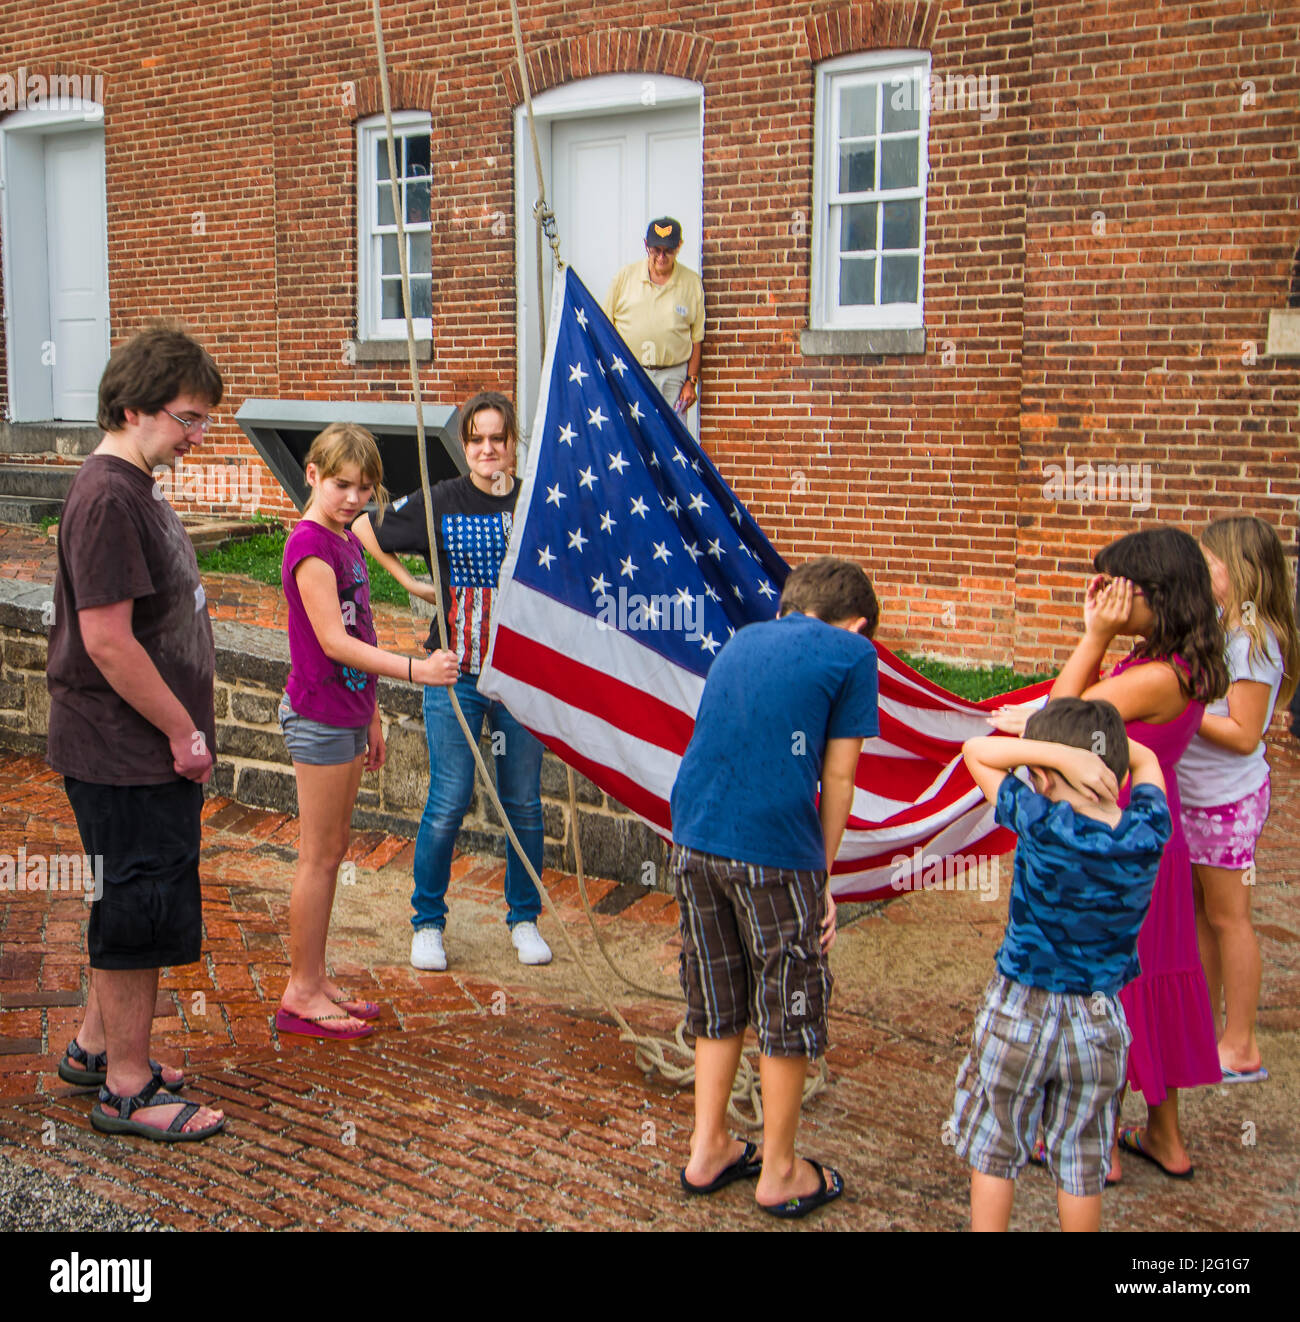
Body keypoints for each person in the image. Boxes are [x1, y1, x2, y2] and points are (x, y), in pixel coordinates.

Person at [999, 528, 1228, 1181]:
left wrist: (1093, 635)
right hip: (1157, 830)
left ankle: (1091, 1143)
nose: (1106, 597)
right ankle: (1165, 1137)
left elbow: (1064, 718)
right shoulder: (1183, 661)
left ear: (1155, 593)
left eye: (1119, 587)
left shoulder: (1154, 677)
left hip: (1115, 838)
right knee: (1151, 978)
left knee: (1113, 985)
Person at [46, 328, 227, 1141]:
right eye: (188, 419)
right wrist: (184, 731)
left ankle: (95, 1048)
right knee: (136, 906)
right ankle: (126, 1087)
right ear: (133, 408)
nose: (198, 438)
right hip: (125, 753)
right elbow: (108, 641)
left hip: (136, 749)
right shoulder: (109, 496)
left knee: (127, 899)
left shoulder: (134, 484)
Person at [668, 556, 879, 1219]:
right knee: (788, 999)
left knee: (716, 989)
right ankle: (780, 1171)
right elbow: (839, 779)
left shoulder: (742, 636)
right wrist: (820, 879)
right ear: (859, 625)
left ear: (789, 606)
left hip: (695, 836)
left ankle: (707, 1148)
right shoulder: (852, 654)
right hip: (773, 850)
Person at [352, 392, 552, 970]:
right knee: (447, 800)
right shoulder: (444, 499)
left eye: (498, 438)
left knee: (524, 804)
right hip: (452, 671)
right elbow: (366, 527)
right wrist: (412, 584)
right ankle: (428, 923)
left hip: (520, 676)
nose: (488, 449)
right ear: (465, 446)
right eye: (477, 439)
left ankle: (524, 919)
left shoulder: (537, 504)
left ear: (513, 445)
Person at [954, 700, 1171, 1231]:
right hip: (1099, 1024)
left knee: (995, 1144)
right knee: (1081, 1158)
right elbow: (1147, 767)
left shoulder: (1042, 821)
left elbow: (976, 752)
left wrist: (1054, 753)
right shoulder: (1146, 833)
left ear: (1046, 777)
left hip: (1019, 1009)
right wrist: (1106, 753)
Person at [276, 424, 459, 1039]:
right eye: (341, 485)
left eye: (365, 488)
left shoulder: (345, 539)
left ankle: (316, 974)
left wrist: (374, 714)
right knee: (318, 856)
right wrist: (419, 671)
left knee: (332, 852)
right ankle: (301, 990)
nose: (354, 498)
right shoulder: (309, 545)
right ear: (312, 475)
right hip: (320, 713)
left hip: (350, 714)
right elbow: (335, 640)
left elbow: (366, 626)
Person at [1178, 516, 1299, 1084]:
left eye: (1212, 565)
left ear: (1243, 571)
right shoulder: (1229, 630)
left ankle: (1242, 1043)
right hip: (1201, 797)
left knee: (1231, 920)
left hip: (1226, 802)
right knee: (1205, 915)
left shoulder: (1255, 641)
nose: (1203, 574)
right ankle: (1207, 1028)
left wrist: (1184, 710)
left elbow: (1246, 733)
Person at [602, 217, 705, 420]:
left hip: (673, 377)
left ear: (679, 247)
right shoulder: (624, 277)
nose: (661, 256)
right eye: (655, 250)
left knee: (670, 442)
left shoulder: (691, 282)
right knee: (631, 438)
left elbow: (697, 337)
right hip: (630, 373)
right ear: (646, 245)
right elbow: (605, 328)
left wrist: (691, 382)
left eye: (668, 250)